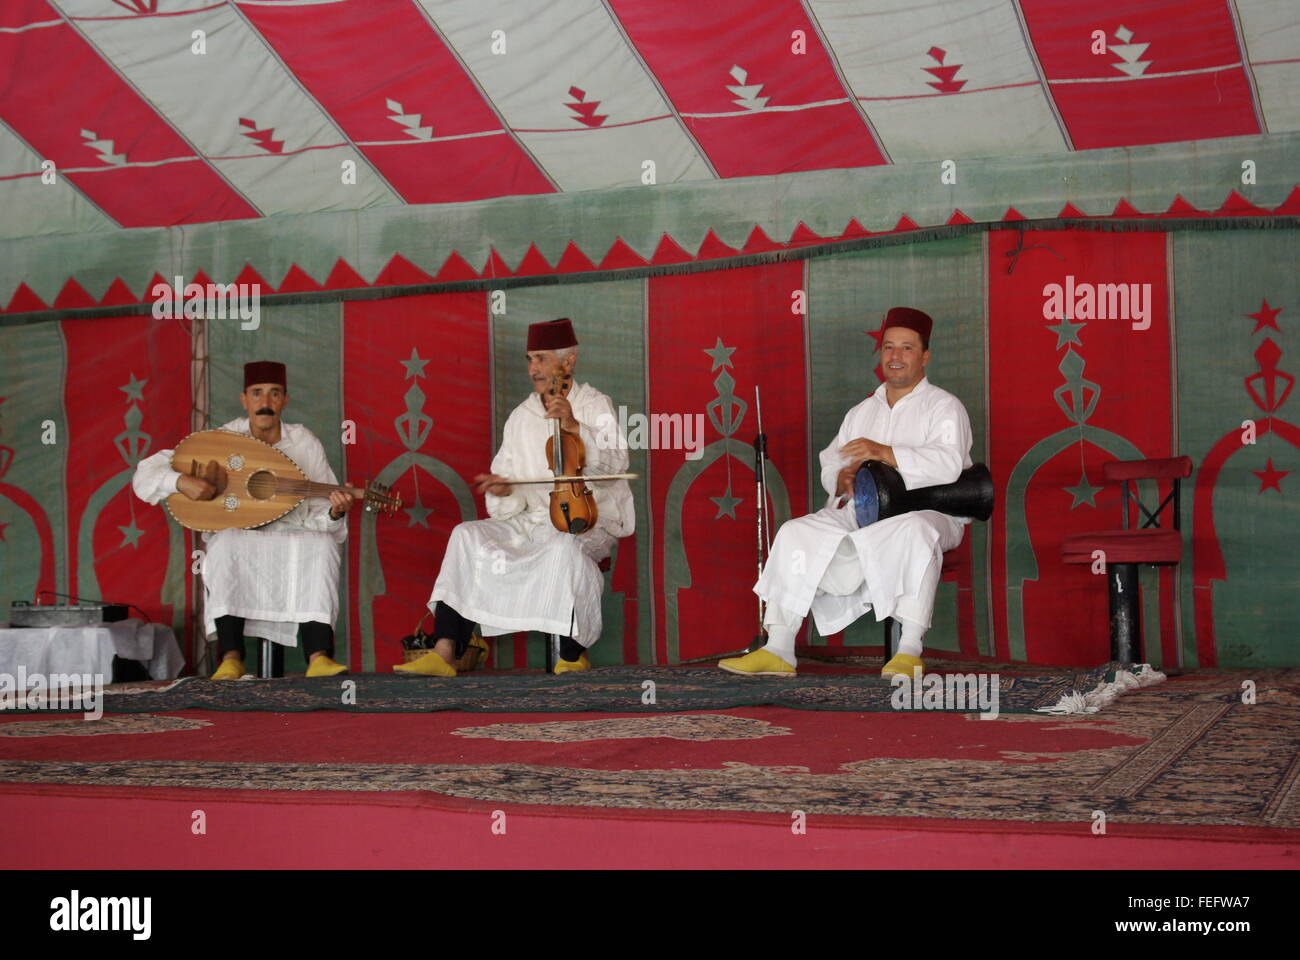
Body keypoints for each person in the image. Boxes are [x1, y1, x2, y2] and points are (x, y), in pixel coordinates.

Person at [719, 307, 972, 679]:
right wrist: (843, 479)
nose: (895, 357)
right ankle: (779, 647)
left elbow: (948, 464)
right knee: (796, 532)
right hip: (864, 511)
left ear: (924, 356)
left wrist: (884, 453)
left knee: (915, 530)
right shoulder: (861, 412)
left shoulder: (944, 407)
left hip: (928, 510)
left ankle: (909, 650)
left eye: (906, 348)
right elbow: (831, 463)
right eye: (888, 347)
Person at [398, 318, 633, 677]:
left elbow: (617, 462)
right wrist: (504, 489)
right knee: (466, 535)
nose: (532, 368)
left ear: (568, 362)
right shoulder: (521, 416)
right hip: (530, 521)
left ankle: (572, 654)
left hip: (587, 519)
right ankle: (445, 651)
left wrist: (575, 428)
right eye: (529, 359)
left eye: (540, 358)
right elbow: (507, 485)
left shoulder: (594, 404)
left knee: (564, 546)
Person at [133, 361, 354, 680]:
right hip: (239, 534)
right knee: (225, 544)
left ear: (285, 400)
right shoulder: (223, 438)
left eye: (274, 394)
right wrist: (180, 483)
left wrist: (335, 511)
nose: (265, 403)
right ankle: (231, 658)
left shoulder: (303, 441)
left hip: (292, 534)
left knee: (321, 547)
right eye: (257, 394)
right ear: (244, 399)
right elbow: (145, 474)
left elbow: (320, 509)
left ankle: (319, 657)